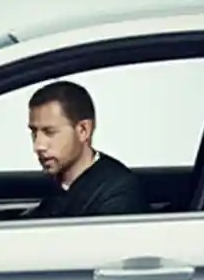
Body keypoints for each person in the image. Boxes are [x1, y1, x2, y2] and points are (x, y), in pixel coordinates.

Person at [22, 80, 149, 219]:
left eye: (50, 132)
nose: (38, 146)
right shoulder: (56, 184)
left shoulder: (116, 194)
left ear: (83, 130)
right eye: (34, 132)